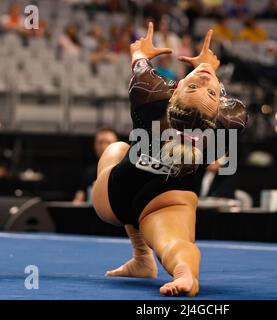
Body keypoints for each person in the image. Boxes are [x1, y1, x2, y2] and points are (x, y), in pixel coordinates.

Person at [92, 23, 247, 296]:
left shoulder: (150, 94)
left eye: (200, 86)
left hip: (113, 197)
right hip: (168, 200)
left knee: (116, 149)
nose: (204, 80)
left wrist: (141, 50)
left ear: (175, 90)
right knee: (174, 243)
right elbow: (224, 108)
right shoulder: (230, 120)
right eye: (206, 88)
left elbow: (139, 58)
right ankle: (182, 272)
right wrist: (213, 76)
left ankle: (144, 259)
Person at [73, 128, 119, 204]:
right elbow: (77, 201)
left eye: (108, 142)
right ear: (95, 145)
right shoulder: (89, 172)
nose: (103, 146)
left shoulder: (123, 170)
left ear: (117, 144)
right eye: (100, 142)